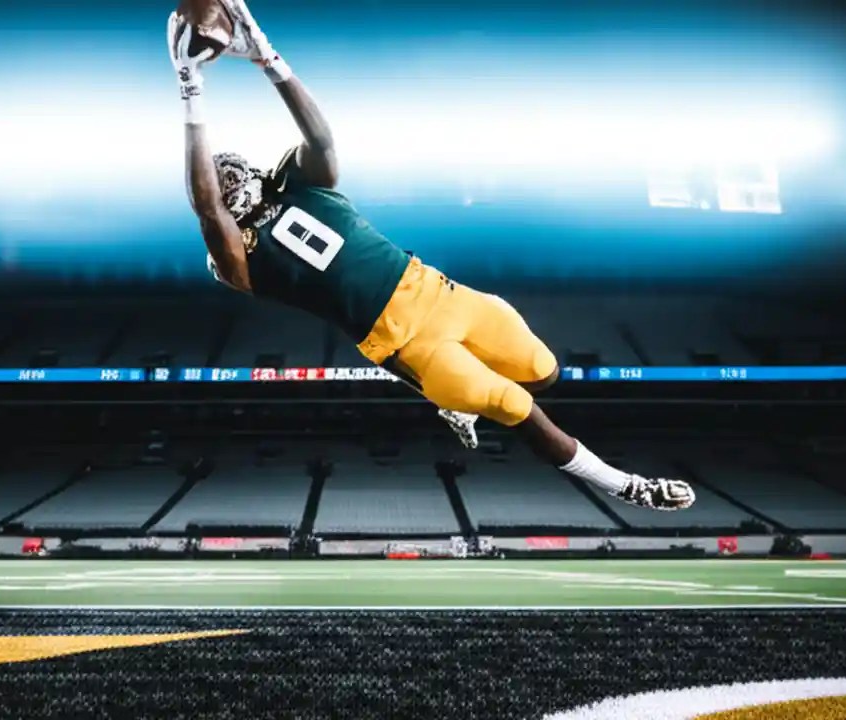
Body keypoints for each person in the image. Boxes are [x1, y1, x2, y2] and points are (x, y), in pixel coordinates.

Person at [167, 3, 695, 511]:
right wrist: (192, 89)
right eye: (217, 177)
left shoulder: (299, 185)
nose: (226, 177)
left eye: (229, 168)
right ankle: (627, 486)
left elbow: (321, 138)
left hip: (446, 295)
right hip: (410, 345)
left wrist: (268, 58)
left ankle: (453, 404)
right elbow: (210, 212)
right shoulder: (241, 258)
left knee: (544, 372)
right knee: (515, 406)